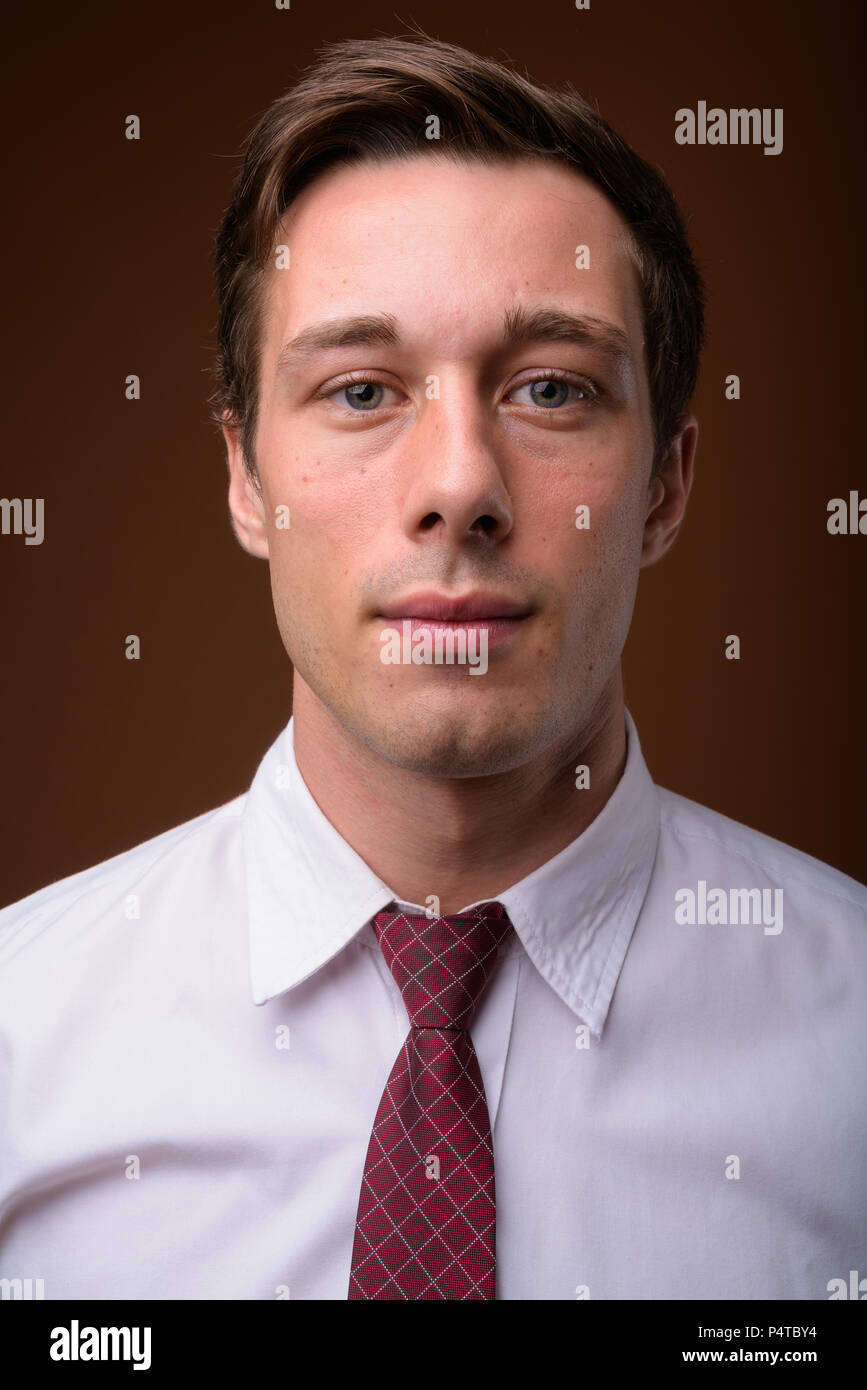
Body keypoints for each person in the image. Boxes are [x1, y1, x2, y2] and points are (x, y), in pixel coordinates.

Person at [0, 33, 864, 1303]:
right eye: (361, 391)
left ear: (667, 486)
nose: (460, 485)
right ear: (246, 477)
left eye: (553, 389)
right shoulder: (21, 1037)